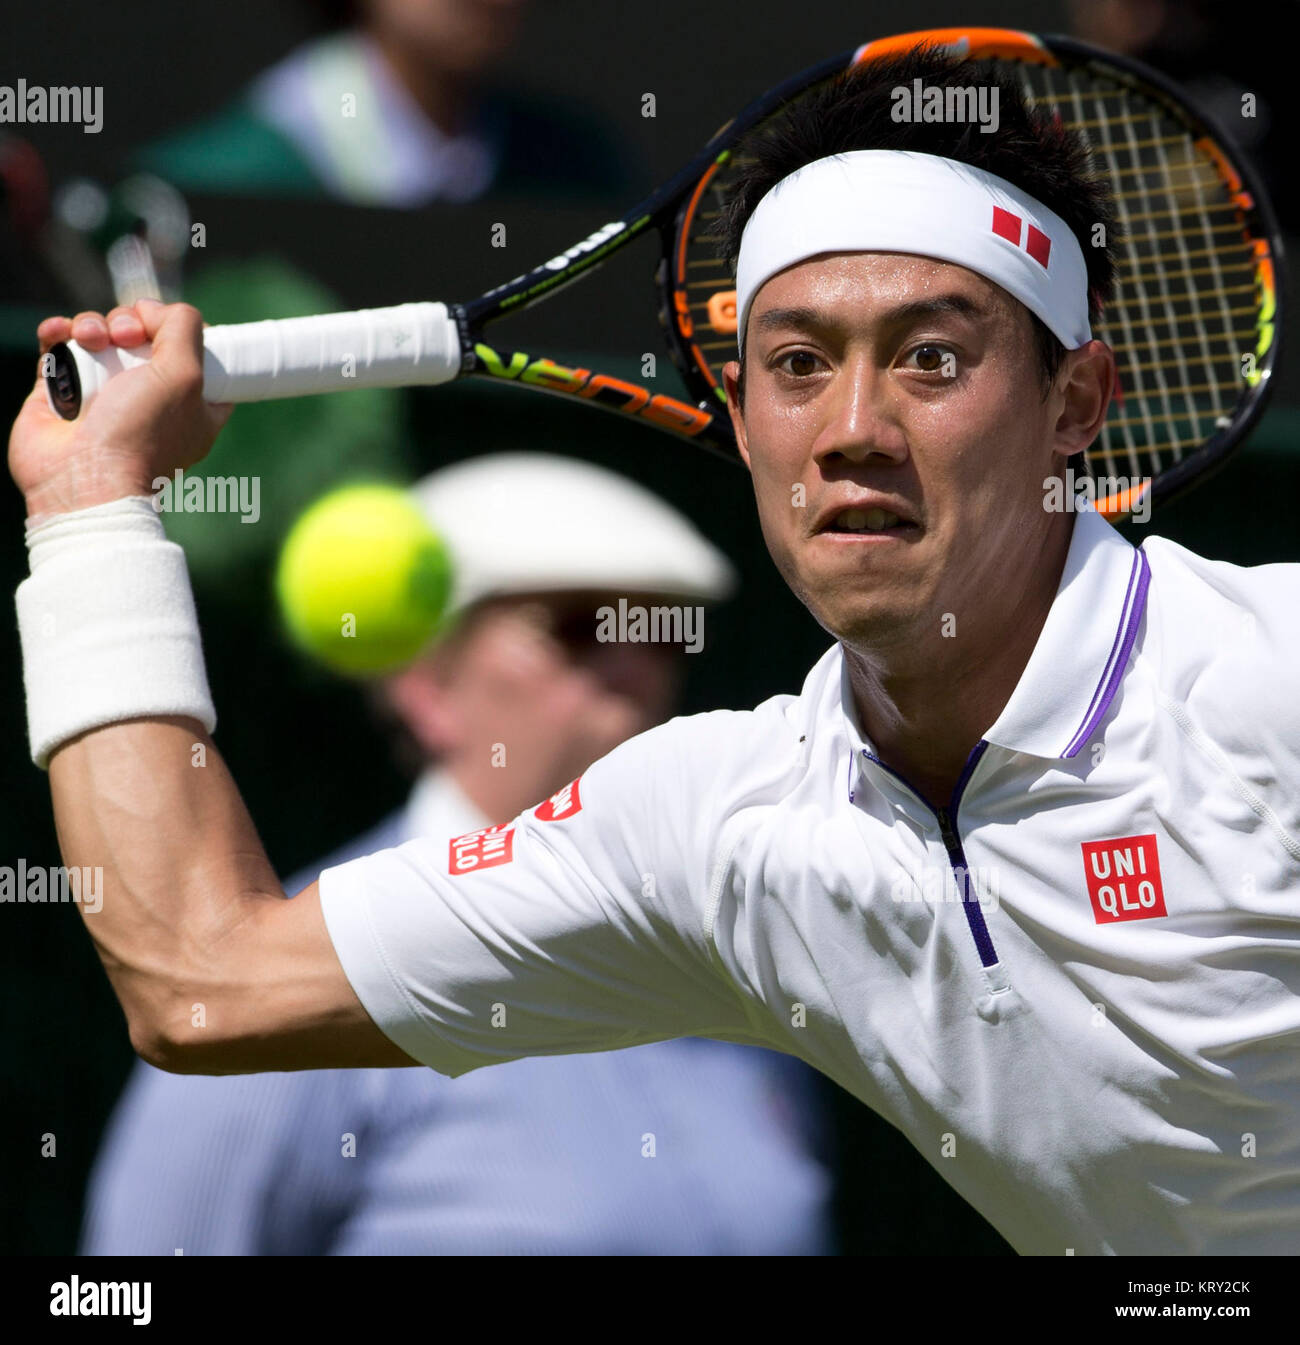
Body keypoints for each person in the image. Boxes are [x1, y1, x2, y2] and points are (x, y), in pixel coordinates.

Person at [10, 45, 1300, 1256]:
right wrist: (86, 512)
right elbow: (200, 979)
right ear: (740, 420)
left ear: (1073, 403)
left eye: (930, 357)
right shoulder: (713, 831)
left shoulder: (1265, 680)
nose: (853, 426)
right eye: (796, 364)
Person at [78, 454, 833, 1255]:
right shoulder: (286, 966)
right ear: (428, 686)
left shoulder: (731, 953)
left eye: (657, 631)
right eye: (581, 628)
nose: (636, 669)